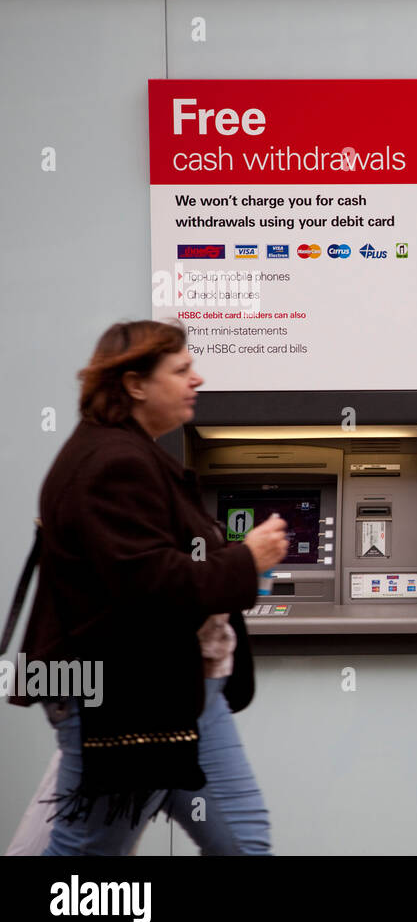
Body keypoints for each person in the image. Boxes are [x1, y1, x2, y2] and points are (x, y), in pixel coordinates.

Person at [9, 319, 287, 855]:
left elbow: (156, 563)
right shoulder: (113, 463)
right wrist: (247, 560)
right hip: (129, 697)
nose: (197, 380)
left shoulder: (126, 454)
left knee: (244, 842)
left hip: (180, 691)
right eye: (181, 370)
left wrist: (235, 559)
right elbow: (154, 582)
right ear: (135, 384)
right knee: (89, 854)